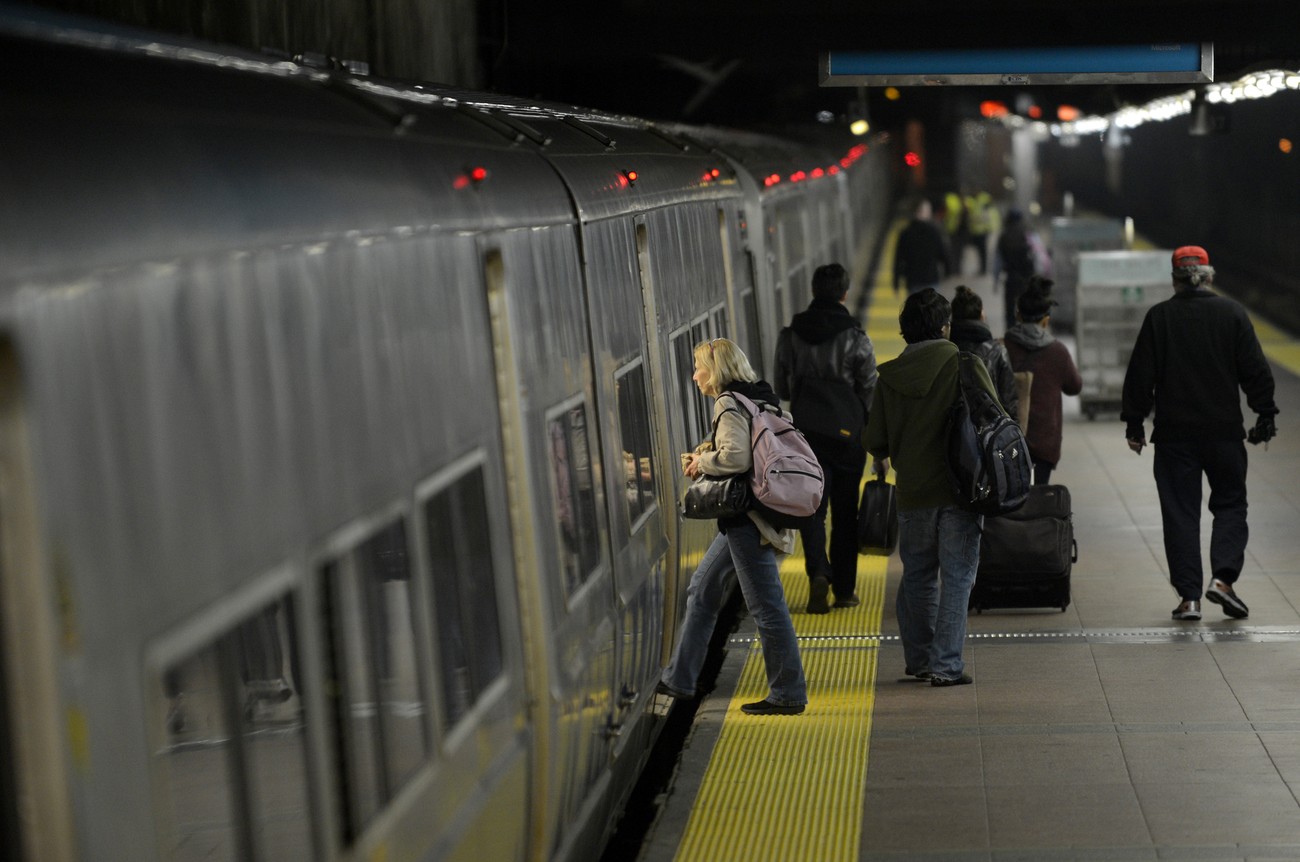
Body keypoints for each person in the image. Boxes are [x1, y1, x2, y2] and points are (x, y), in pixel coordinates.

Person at [1121, 245, 1278, 622]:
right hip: (1223, 433)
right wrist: (1265, 414)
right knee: (1229, 505)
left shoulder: (1160, 317)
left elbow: (1141, 374)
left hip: (1175, 438)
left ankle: (1189, 598)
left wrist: (1134, 423)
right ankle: (1222, 581)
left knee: (1180, 514)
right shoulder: (1232, 313)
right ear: (1209, 277)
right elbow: (1255, 370)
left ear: (1175, 280)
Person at [659, 338, 808, 715]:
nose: (695, 376)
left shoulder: (727, 402)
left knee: (766, 606)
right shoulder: (760, 397)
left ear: (717, 371)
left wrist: (701, 462)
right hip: (753, 515)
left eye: (699, 368)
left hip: (747, 519)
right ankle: (680, 677)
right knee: (703, 588)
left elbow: (736, 458)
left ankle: (788, 692)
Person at [865, 288, 997, 687]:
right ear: (944, 327)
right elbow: (996, 418)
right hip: (960, 491)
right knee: (957, 577)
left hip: (913, 494)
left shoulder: (888, 377)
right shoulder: (965, 364)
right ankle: (946, 664)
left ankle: (921, 659)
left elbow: (875, 440)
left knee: (919, 575)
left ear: (906, 331)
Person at [774, 263, 878, 613]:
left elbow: (781, 387)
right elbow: (870, 390)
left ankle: (818, 571)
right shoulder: (856, 337)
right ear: (844, 294)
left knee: (812, 509)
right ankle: (845, 591)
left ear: (815, 291)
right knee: (846, 513)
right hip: (849, 436)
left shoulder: (791, 334)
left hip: (806, 435)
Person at [1003, 278, 1082, 485]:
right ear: (1046, 320)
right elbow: (1075, 386)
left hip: (1009, 439)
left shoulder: (1003, 348)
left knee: (1012, 494)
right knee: (1038, 494)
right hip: (1045, 441)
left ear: (1017, 315)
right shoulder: (1058, 351)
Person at [949, 284, 1018, 423]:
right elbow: (1009, 403)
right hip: (989, 432)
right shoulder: (998, 352)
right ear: (981, 315)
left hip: (951, 432)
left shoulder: (945, 351)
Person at [992, 209, 1040, 331]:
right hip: (1027, 278)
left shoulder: (1004, 236)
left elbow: (998, 261)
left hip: (1011, 278)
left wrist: (996, 281)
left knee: (1009, 310)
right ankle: (1027, 333)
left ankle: (1011, 334)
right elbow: (1038, 254)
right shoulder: (1028, 233)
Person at [893, 199, 949, 296]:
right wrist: (948, 270)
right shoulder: (934, 232)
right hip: (931, 278)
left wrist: (896, 281)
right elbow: (943, 254)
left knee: (915, 308)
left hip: (912, 279)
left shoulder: (906, 233)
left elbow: (898, 258)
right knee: (930, 308)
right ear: (926, 212)